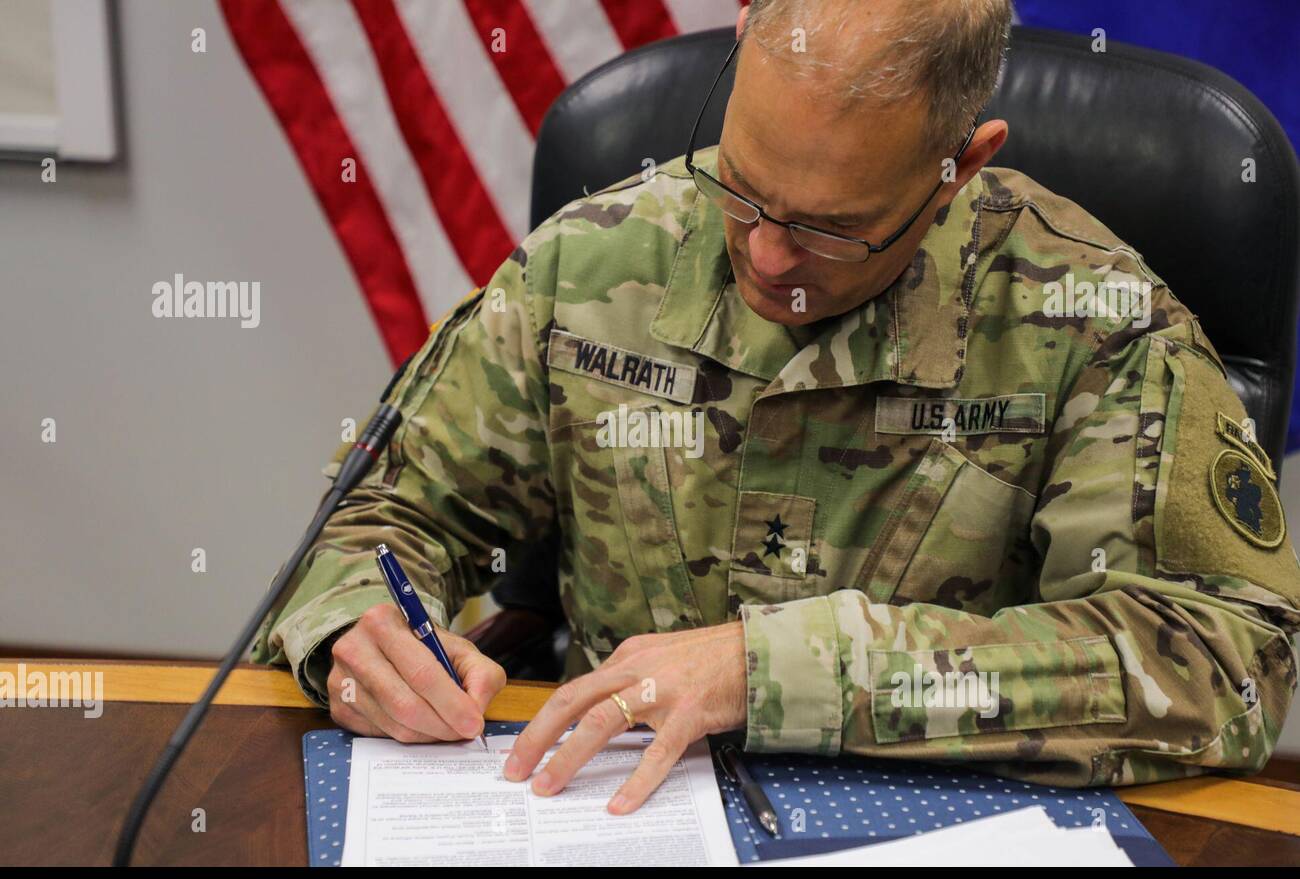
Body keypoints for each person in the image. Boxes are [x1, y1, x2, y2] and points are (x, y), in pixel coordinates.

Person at [254, 0, 1300, 815]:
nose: (762, 254)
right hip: (612, 819)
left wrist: (778, 671)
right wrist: (357, 624)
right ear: (743, 40)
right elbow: (378, 512)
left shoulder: (1089, 320)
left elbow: (1222, 657)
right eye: (743, 187)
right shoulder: (591, 266)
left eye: (831, 230)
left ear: (959, 165)